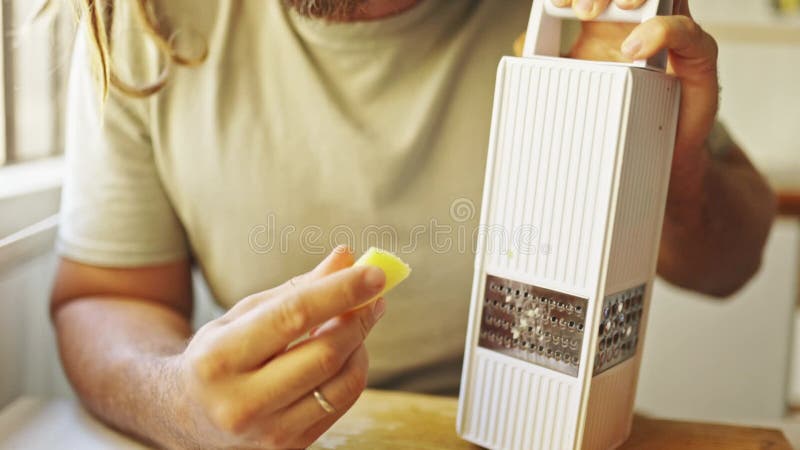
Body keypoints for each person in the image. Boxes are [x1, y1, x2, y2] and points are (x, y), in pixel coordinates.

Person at [51, 0, 775, 448]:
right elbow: (107, 294)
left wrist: (663, 169)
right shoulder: (140, 19)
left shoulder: (583, 18)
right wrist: (177, 400)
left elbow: (728, 265)